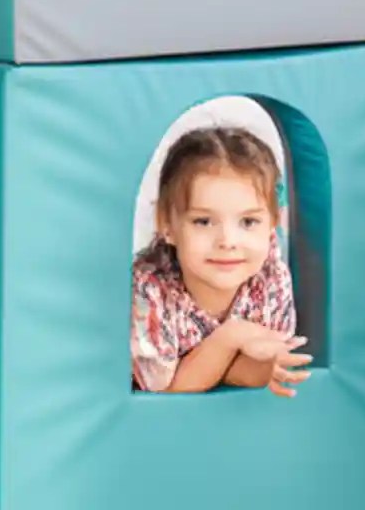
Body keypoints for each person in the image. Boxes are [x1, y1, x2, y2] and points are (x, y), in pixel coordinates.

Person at [130, 126, 311, 397]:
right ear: (166, 224)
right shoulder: (148, 290)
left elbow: (264, 368)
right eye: (203, 221)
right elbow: (168, 390)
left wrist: (251, 366)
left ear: (272, 224)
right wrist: (232, 337)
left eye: (248, 222)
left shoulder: (270, 278)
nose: (227, 241)